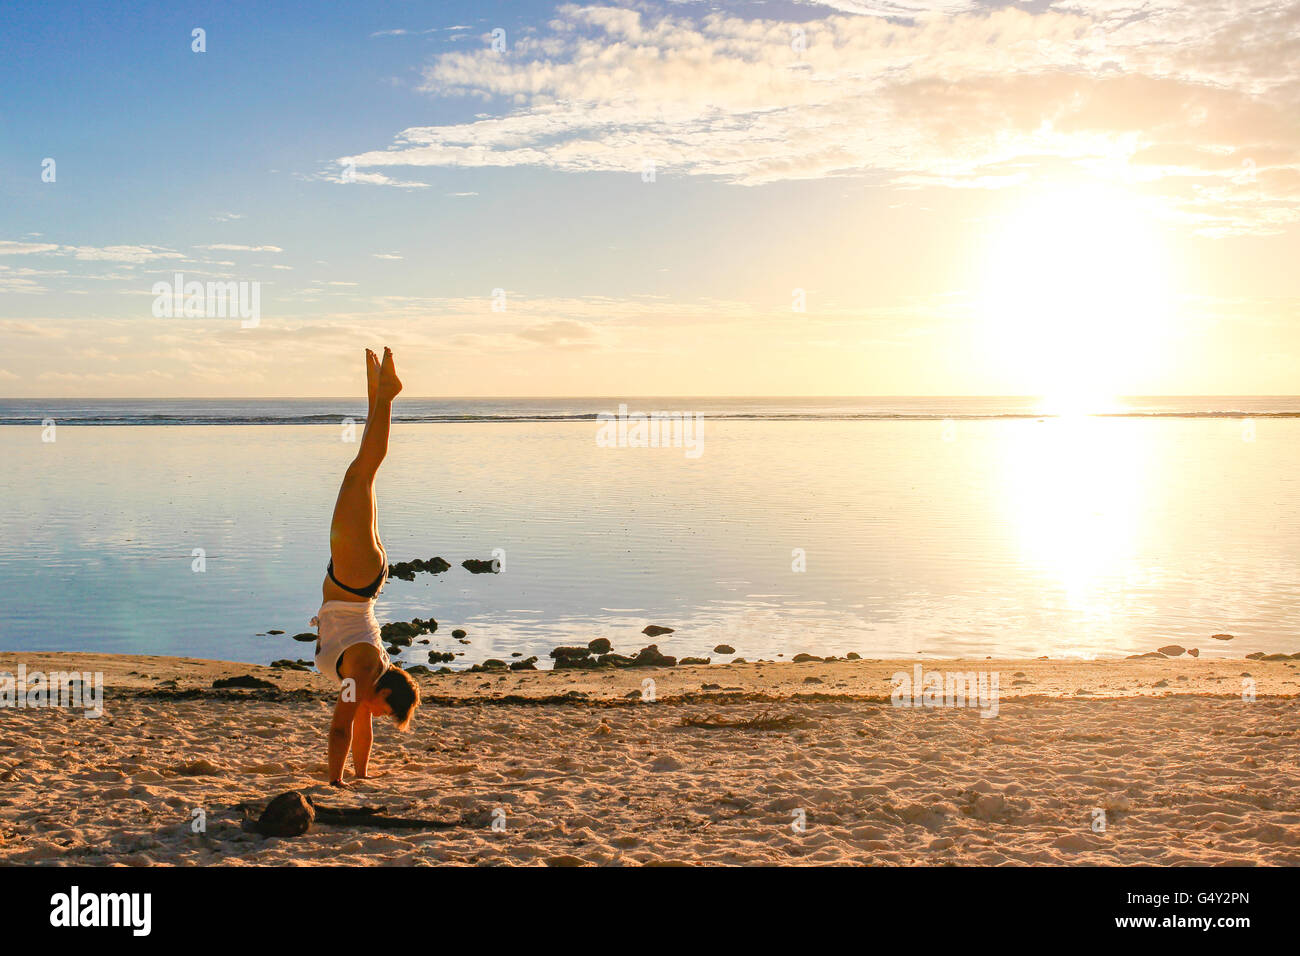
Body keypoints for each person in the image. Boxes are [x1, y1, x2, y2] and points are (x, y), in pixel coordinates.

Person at [311, 347, 419, 788]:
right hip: (354, 580)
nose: (379, 719)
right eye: (388, 714)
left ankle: (378, 397)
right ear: (384, 697)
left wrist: (359, 774)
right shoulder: (362, 672)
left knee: (363, 475)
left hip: (364, 580)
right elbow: (339, 727)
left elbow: (357, 727)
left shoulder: (370, 674)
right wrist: (333, 783)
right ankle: (386, 397)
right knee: (360, 475)